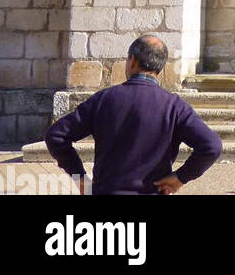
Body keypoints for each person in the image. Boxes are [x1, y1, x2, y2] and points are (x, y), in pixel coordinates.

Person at [45, 35, 222, 196]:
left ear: (132, 61)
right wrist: (180, 178)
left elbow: (56, 136)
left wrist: (79, 177)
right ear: (160, 68)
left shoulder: (104, 99)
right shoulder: (174, 106)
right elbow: (212, 146)